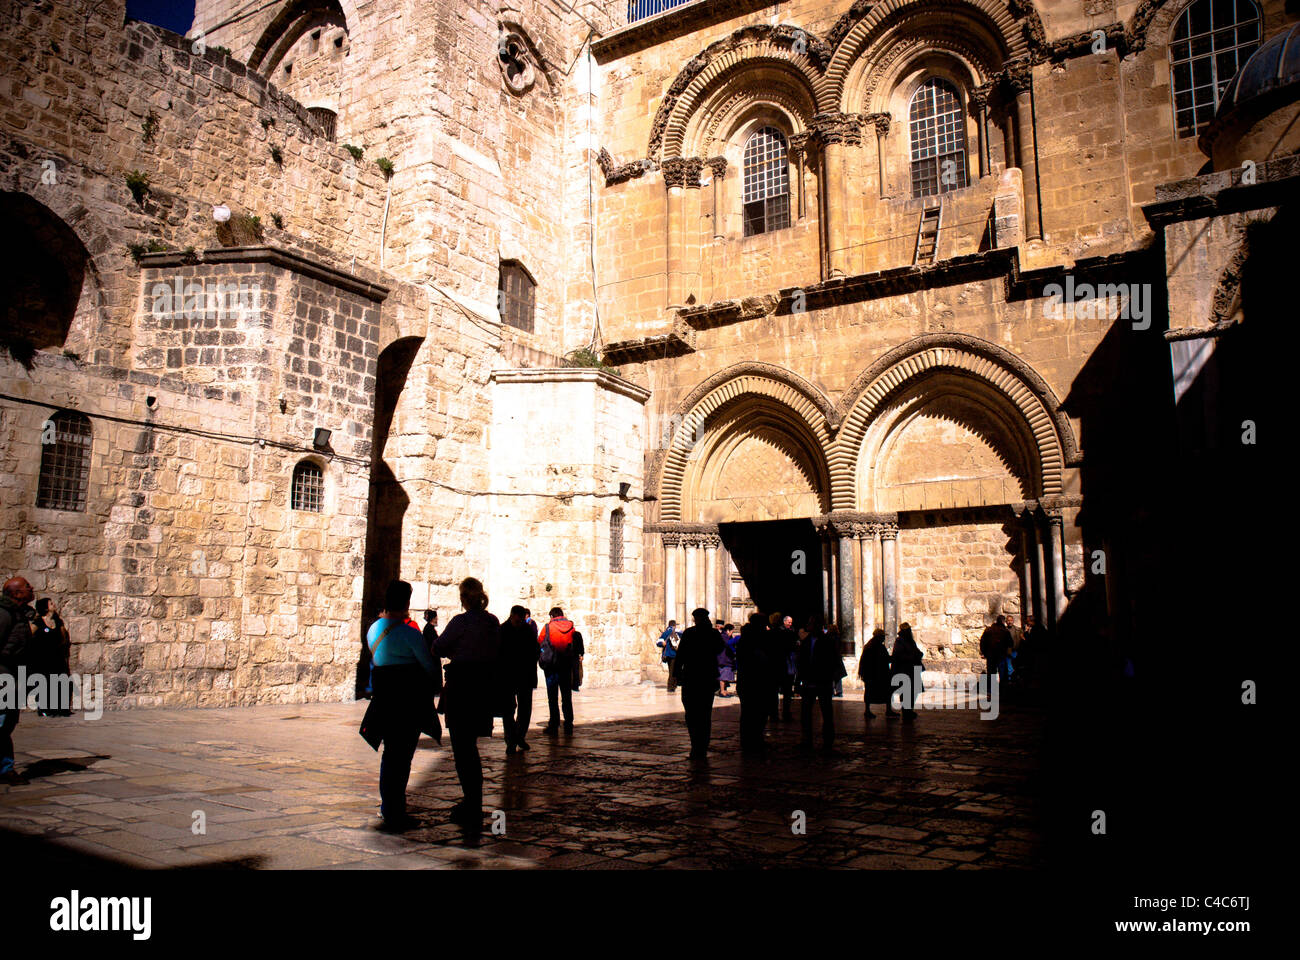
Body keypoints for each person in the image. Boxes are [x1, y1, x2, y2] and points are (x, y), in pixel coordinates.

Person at [362, 579, 442, 831]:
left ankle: (389, 807)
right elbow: (429, 666)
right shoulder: (410, 633)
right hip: (406, 700)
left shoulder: (374, 629)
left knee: (390, 755)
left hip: (384, 698)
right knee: (403, 756)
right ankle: (396, 810)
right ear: (406, 602)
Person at [434, 577, 502, 828]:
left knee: (463, 750)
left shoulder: (460, 622)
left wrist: (456, 651)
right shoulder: (492, 621)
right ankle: (474, 800)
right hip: (483, 689)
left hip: (462, 689)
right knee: (470, 748)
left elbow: (438, 647)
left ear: (464, 598)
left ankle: (471, 803)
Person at [0, 577, 37, 783]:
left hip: (14, 678)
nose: (31, 588)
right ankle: (5, 768)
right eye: (26, 586)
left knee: (7, 724)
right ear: (16, 593)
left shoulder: (19, 614)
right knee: (1, 722)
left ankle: (5, 768)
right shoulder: (4, 615)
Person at [675, 608, 723, 760]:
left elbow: (680, 654)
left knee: (692, 713)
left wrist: (676, 674)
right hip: (707, 678)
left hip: (692, 677)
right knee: (704, 713)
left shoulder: (690, 633)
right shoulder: (713, 633)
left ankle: (696, 745)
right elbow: (720, 649)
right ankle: (701, 746)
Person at [796, 614, 845, 750]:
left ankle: (828, 741)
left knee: (827, 712)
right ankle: (807, 740)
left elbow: (834, 660)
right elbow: (801, 662)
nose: (808, 626)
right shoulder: (806, 641)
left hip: (823, 682)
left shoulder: (828, 641)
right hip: (808, 682)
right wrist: (798, 681)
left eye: (811, 623)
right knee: (806, 713)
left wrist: (830, 677)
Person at [499, 605, 539, 754]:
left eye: (521, 620)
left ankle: (519, 737)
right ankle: (511, 740)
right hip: (507, 676)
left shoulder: (527, 630)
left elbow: (535, 651)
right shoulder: (502, 630)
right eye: (517, 619)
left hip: (524, 676)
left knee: (525, 709)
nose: (519, 622)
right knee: (508, 710)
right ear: (512, 616)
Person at [736, 612, 776, 752]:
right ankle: (755, 739)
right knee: (759, 712)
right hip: (758, 681)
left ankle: (748, 740)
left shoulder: (744, 638)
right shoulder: (760, 638)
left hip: (746, 680)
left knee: (748, 712)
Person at [539, 607, 582, 734]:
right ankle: (569, 722)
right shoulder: (571, 627)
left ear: (552, 616)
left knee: (552, 697)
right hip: (566, 665)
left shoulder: (548, 627)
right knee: (566, 696)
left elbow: (540, 641)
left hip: (551, 666)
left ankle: (554, 724)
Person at [32, 599, 72, 716]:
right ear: (45, 608)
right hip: (43, 658)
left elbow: (63, 638)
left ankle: (60, 708)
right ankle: (44, 708)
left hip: (57, 657)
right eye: (50, 603)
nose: (53, 605)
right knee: (45, 683)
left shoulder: (58, 622)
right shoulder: (38, 622)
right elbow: (29, 635)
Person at [891, 622, 925, 720]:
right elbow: (899, 656)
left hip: (913, 669)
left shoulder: (910, 641)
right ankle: (906, 711)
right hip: (904, 670)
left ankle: (909, 710)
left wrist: (918, 654)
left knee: (914, 691)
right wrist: (912, 657)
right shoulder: (899, 641)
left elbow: (915, 651)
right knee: (905, 692)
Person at [858, 628, 892, 719]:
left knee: (878, 691)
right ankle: (868, 711)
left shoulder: (872, 645)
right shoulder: (874, 646)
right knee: (872, 692)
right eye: (883, 636)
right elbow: (882, 659)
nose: (884, 638)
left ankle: (887, 710)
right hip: (874, 674)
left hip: (874, 673)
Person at [770, 612, 797, 722]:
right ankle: (786, 713)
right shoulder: (788, 633)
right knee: (786, 692)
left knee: (774, 692)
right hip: (785, 665)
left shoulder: (770, 634)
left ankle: (774, 714)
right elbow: (792, 647)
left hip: (775, 665)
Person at [978, 615, 1013, 688]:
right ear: (1003, 621)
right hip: (1001, 655)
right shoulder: (1005, 631)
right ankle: (1002, 688)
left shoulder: (988, 630)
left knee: (991, 672)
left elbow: (982, 642)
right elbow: (1010, 643)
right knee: (1002, 672)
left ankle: (992, 688)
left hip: (991, 655)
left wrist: (984, 652)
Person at [421, 609, 443, 698]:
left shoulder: (429, 628)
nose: (436, 619)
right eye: (435, 618)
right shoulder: (429, 629)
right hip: (432, 656)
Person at [717, 623, 737, 697]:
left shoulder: (725, 636)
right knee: (723, 676)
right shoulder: (724, 637)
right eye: (732, 631)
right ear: (728, 631)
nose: (732, 633)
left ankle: (724, 690)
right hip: (723, 659)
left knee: (725, 676)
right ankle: (722, 691)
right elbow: (728, 644)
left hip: (726, 659)